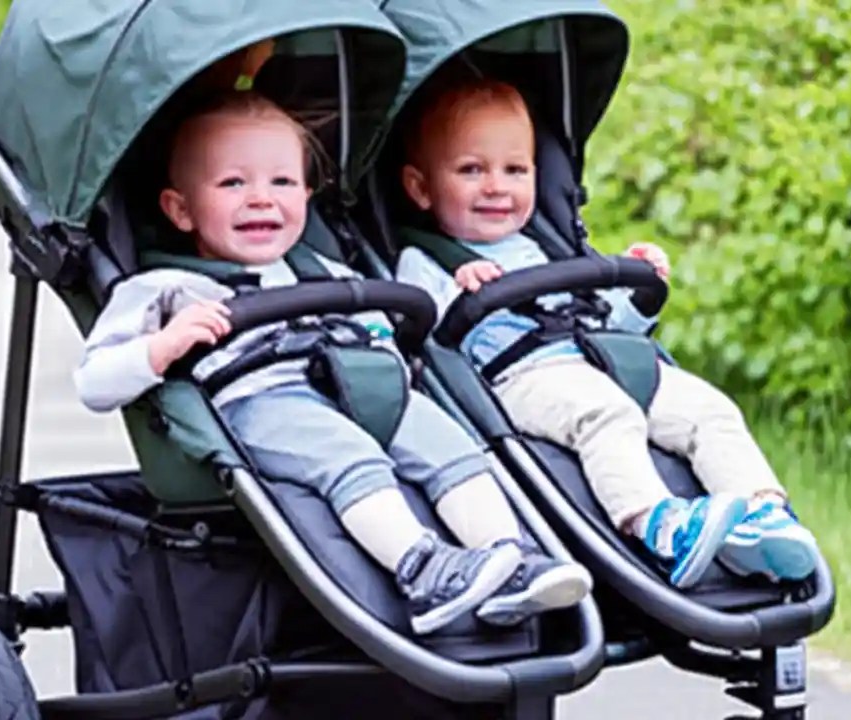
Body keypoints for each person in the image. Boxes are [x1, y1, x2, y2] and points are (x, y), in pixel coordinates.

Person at [74, 89, 591, 633]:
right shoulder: (166, 286)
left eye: (283, 182)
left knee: (439, 438)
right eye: (233, 183)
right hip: (262, 403)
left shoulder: (322, 271)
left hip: (352, 388)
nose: (261, 199)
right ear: (180, 208)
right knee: (345, 453)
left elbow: (381, 327)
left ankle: (510, 557)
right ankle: (423, 569)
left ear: (306, 193)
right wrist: (160, 349)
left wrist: (380, 348)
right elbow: (94, 382)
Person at [394, 77, 819, 588]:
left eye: (515, 170)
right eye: (471, 170)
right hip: (523, 377)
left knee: (709, 410)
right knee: (607, 416)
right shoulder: (423, 260)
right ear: (420, 187)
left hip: (603, 358)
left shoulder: (546, 246)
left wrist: (639, 292)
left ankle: (762, 515)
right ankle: (656, 524)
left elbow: (607, 322)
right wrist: (458, 298)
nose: (496, 187)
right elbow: (420, 339)